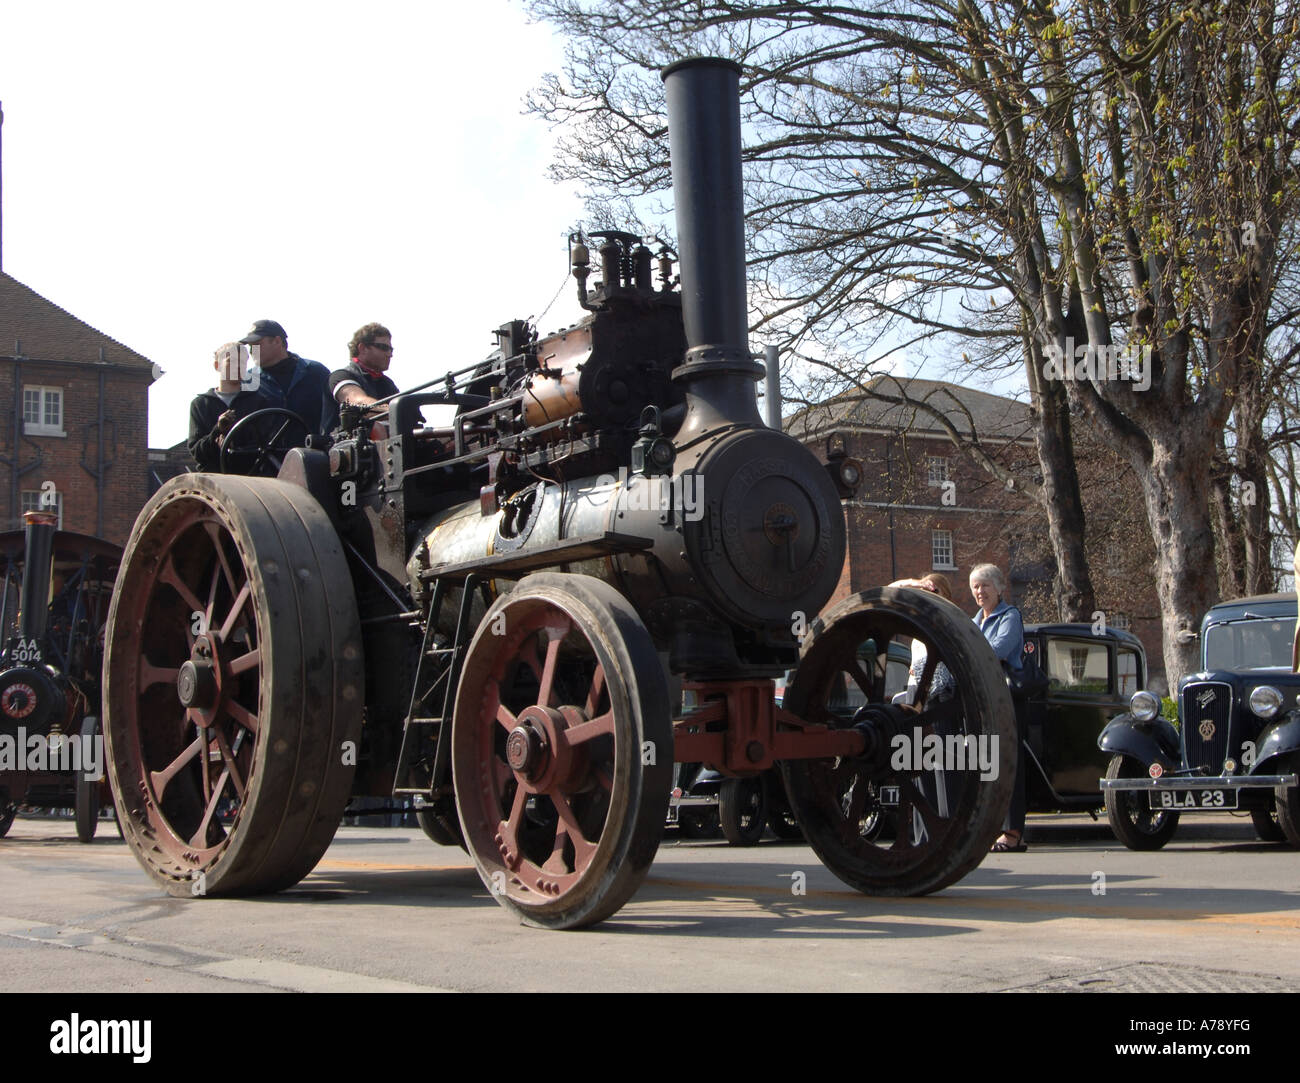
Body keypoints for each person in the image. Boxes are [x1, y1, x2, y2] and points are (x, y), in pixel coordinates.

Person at [969, 562, 1027, 853]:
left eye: (985, 585)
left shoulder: (1010, 616)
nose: (980, 591)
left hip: (1005, 698)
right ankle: (990, 827)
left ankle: (1014, 832)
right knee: (986, 765)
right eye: (976, 587)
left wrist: (967, 650)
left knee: (1009, 764)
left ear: (999, 588)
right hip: (982, 699)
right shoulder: (974, 621)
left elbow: (999, 650)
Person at [237, 319, 337, 437]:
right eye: (250, 347)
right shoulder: (248, 381)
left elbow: (333, 415)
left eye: (257, 345)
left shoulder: (316, 372)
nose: (252, 351)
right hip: (265, 454)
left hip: (313, 453)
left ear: (277, 341)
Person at [187, 342, 274, 472]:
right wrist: (218, 430)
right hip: (213, 478)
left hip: (250, 477)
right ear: (217, 366)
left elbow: (266, 446)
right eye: (232, 361)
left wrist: (235, 449)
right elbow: (197, 452)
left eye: (242, 362)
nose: (238, 366)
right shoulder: (200, 405)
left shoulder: (258, 403)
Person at [331, 323, 399, 409]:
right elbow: (358, 402)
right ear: (362, 348)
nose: (389, 354)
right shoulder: (341, 376)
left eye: (391, 350)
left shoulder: (387, 384)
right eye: (384, 347)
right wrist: (396, 411)